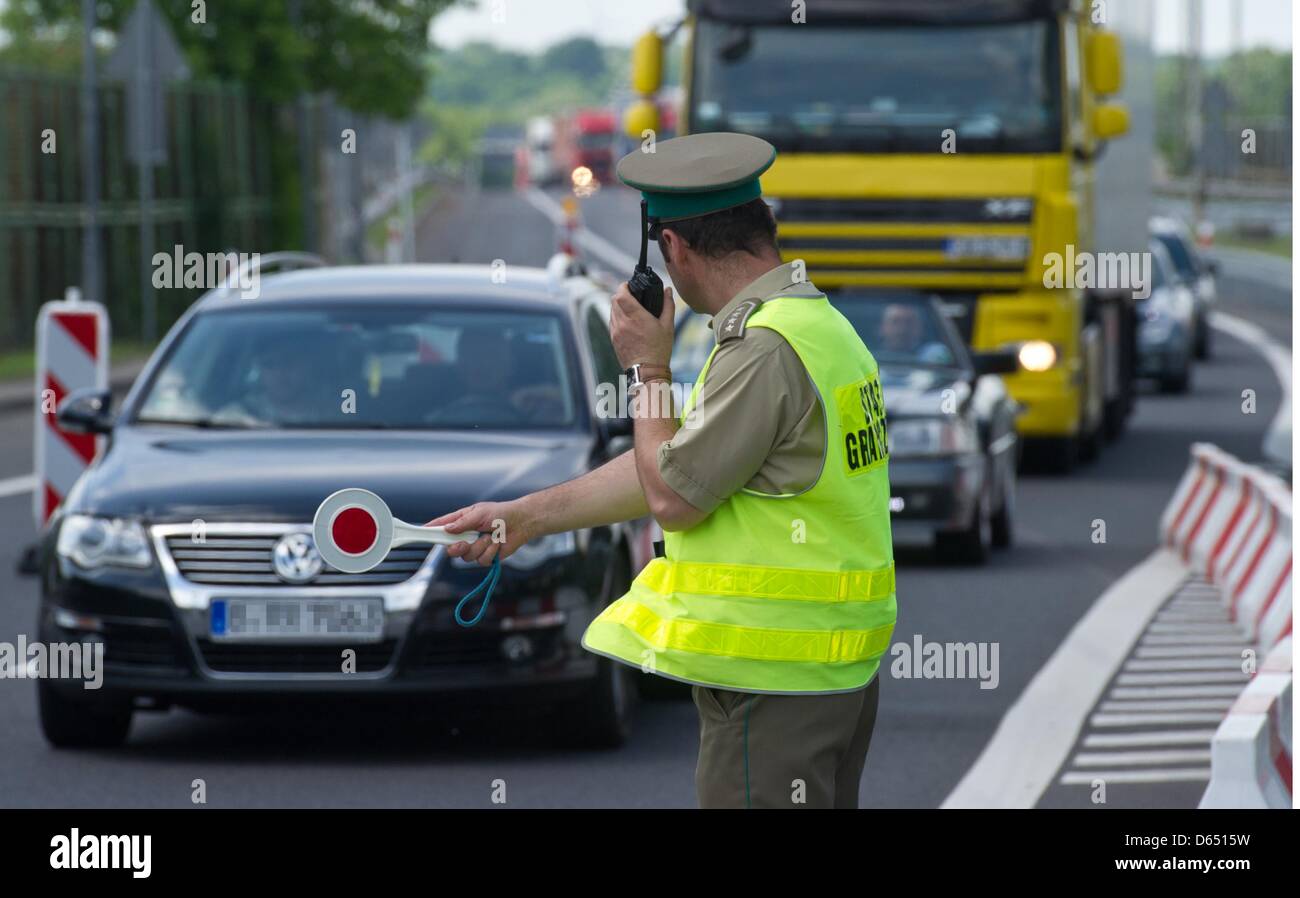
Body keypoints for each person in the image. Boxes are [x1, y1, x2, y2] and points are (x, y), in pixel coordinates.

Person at [429, 132, 896, 809]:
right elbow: (682, 469)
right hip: (828, 673)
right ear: (762, 227)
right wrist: (524, 518)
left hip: (772, 680)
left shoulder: (761, 349)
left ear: (672, 248)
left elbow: (674, 496)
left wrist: (649, 368)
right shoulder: (817, 329)